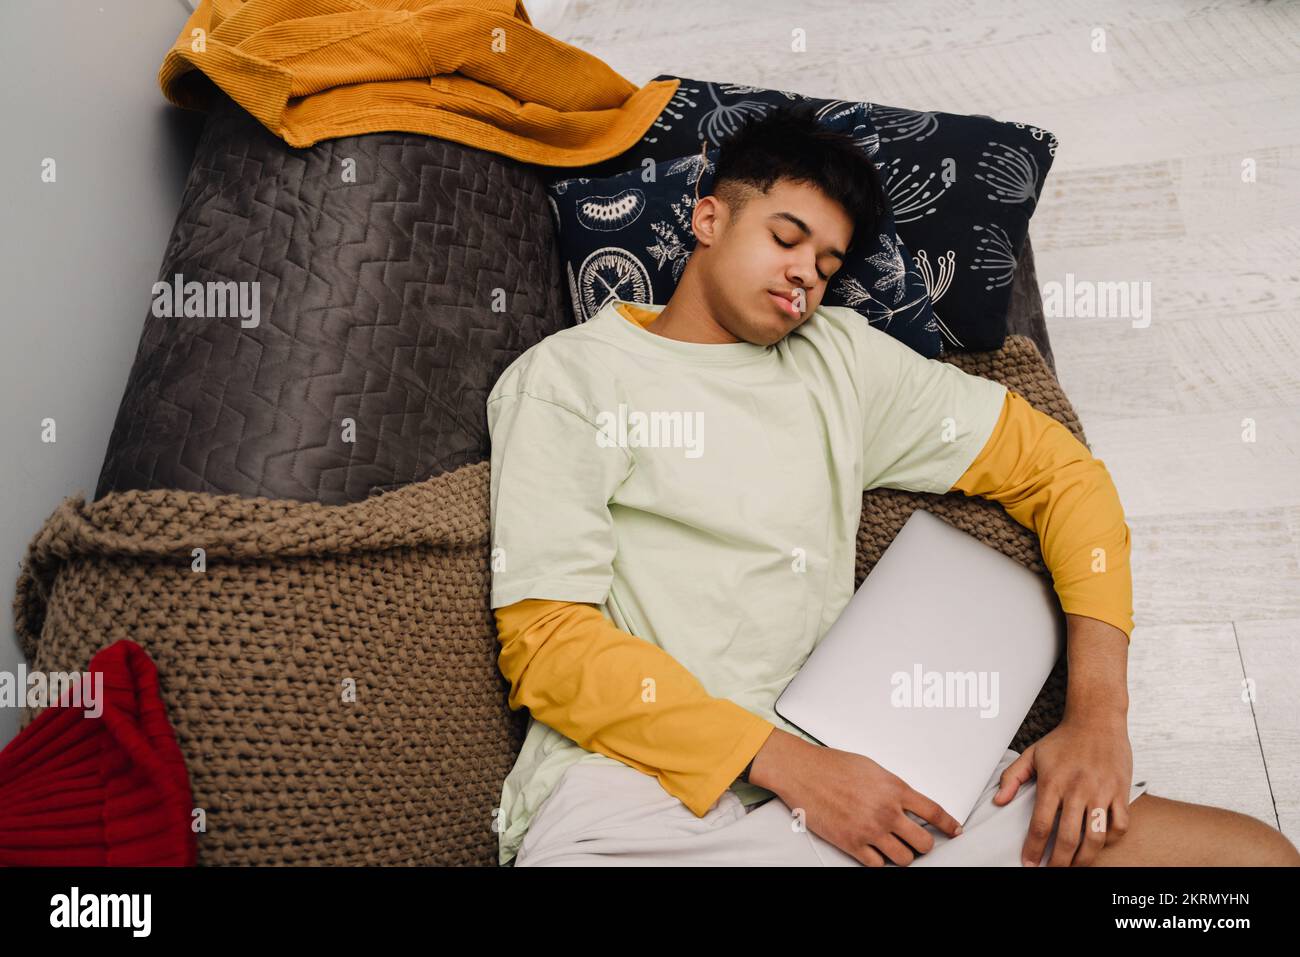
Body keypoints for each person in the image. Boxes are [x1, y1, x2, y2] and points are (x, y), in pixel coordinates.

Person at [485, 104, 1300, 868]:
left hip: (871, 768)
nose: (805, 274)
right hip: (640, 793)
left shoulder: (839, 360)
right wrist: (793, 767)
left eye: (827, 263)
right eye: (786, 236)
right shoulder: (570, 378)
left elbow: (1063, 473)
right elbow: (548, 640)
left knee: (1251, 865)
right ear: (709, 219)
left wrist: (1097, 716)